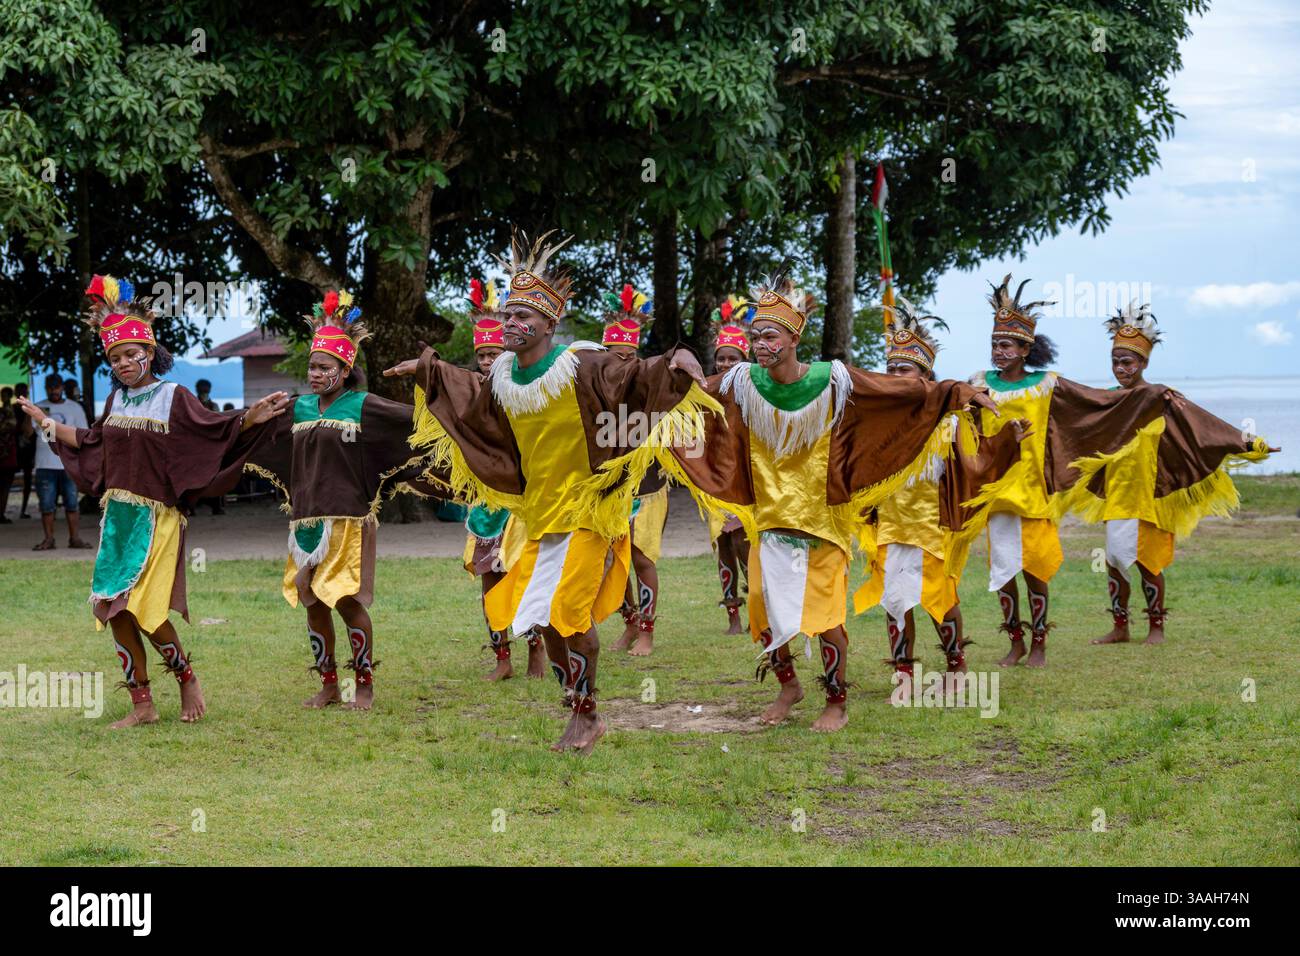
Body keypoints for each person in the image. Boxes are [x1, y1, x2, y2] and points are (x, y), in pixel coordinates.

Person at [385, 230, 718, 754]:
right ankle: (578, 703)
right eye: (508, 317)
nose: (513, 325)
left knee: (568, 613)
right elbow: (472, 401)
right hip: (541, 513)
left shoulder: (581, 364)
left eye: (526, 318)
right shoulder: (503, 379)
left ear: (550, 322)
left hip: (590, 508)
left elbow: (632, 379)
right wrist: (429, 369)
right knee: (536, 618)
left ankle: (587, 715)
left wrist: (677, 362)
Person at [669, 272, 999, 732]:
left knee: (826, 618)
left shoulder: (833, 380)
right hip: (769, 520)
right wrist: (673, 362)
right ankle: (788, 685)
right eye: (755, 335)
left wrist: (957, 393)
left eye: (770, 335)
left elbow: (898, 393)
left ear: (793, 338)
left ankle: (837, 701)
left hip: (822, 522)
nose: (760, 343)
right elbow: (692, 394)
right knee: (762, 609)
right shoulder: (741, 382)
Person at [15, 275, 289, 727]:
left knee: (144, 609)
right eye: (115, 358)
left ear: (149, 351)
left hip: (158, 519)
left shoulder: (172, 396)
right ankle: (142, 704)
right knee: (112, 607)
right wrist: (45, 420)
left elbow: (210, 431)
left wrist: (248, 418)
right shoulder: (117, 400)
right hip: (118, 519)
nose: (123, 363)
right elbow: (88, 442)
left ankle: (186, 678)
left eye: (130, 354)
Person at [247, 290, 438, 712]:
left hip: (350, 519)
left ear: (344, 368)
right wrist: (248, 419)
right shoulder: (297, 409)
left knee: (347, 602)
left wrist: (435, 381)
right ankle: (329, 685)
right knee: (311, 600)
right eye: (311, 366)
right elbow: (251, 434)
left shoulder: (364, 405)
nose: (314, 374)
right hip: (306, 522)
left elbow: (416, 424)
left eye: (323, 367)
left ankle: (364, 685)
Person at [1069, 303, 1277, 646]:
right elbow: (1074, 421)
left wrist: (1249, 441)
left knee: (1148, 562)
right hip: (1117, 493)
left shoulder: (1159, 397)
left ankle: (1156, 627)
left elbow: (1201, 424)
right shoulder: (1107, 401)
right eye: (1116, 362)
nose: (1121, 368)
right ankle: (1120, 628)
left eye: (1128, 362)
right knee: (1115, 561)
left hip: (1153, 493)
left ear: (1144, 363)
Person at [853, 298, 1028, 694]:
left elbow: (976, 465)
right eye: (892, 369)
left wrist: (1005, 444)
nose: (897, 375)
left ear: (926, 375)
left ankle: (955, 666)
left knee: (938, 598)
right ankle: (904, 672)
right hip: (890, 525)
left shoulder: (950, 423)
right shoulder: (877, 423)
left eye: (906, 369)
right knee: (894, 601)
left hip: (933, 525)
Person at [462, 278, 542, 681]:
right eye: (483, 355)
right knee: (491, 578)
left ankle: (536, 653)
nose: (489, 362)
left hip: (526, 495)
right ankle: (501, 658)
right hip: (486, 500)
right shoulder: (470, 391)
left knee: (523, 575)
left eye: (494, 353)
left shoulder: (526, 386)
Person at [600, 286, 669, 657]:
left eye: (628, 357)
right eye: (615, 356)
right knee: (614, 560)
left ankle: (647, 631)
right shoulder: (594, 390)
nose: (622, 364)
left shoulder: (650, 388)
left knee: (641, 558)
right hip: (611, 489)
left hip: (648, 487)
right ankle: (628, 623)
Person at [706, 301, 754, 634]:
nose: (725, 363)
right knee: (723, 548)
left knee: (744, 544)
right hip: (714, 482)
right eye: (721, 358)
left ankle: (762, 610)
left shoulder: (755, 391)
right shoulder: (707, 389)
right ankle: (733, 619)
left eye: (732, 358)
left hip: (746, 482)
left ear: (744, 361)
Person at [30, 373, 91, 550]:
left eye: (57, 387)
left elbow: (82, 435)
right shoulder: (39, 408)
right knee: (47, 505)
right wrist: (30, 416)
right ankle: (49, 539)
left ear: (62, 388)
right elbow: (33, 434)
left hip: (69, 463)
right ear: (46, 388)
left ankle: (75, 539)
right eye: (50, 387)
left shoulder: (74, 408)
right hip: (45, 463)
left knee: (72, 503)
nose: (54, 390)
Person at [14, 382, 36, 518]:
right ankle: (22, 510)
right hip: (14, 448)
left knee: (27, 481)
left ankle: (23, 509)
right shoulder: (12, 409)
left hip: (27, 449)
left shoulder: (31, 409)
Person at [0, 386, 17, 522]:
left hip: (7, 453)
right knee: (5, 486)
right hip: (6, 453)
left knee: (5, 485)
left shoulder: (9, 411)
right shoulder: (10, 411)